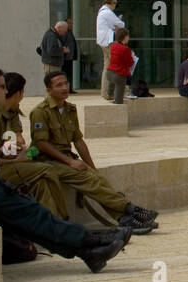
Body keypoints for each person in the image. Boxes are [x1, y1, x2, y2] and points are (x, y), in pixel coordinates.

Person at [0, 67, 131, 273]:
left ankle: (90, 253)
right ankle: (91, 238)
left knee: (32, 220)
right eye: (3, 87)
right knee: (34, 210)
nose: (7, 91)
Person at [30, 71, 159, 232]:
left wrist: (91, 166)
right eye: (59, 85)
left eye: (66, 83)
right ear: (49, 90)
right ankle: (131, 209)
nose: (65, 88)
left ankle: (124, 219)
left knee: (97, 178)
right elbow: (41, 144)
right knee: (88, 179)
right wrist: (70, 161)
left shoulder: (70, 109)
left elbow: (78, 140)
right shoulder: (40, 112)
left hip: (65, 158)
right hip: (47, 160)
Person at [0, 71, 69, 220]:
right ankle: (63, 221)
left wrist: (19, 150)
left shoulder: (11, 110)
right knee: (47, 170)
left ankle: (51, 223)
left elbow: (19, 139)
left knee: (42, 182)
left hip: (10, 156)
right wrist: (16, 160)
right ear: (17, 94)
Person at [95, 0, 125, 100]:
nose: (115, 7)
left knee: (107, 66)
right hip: (109, 42)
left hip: (103, 42)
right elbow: (121, 25)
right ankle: (113, 91)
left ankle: (105, 92)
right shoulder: (107, 12)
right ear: (112, 3)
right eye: (115, 5)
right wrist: (118, 23)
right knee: (115, 66)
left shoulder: (101, 12)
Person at [104, 27, 135, 105]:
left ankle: (109, 93)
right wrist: (132, 56)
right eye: (128, 36)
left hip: (109, 73)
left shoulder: (113, 46)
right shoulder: (126, 49)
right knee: (118, 101)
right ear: (124, 37)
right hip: (119, 76)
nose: (129, 38)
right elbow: (130, 63)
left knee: (111, 96)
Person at [62, 18, 79, 93]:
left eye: (71, 23)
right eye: (69, 23)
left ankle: (70, 88)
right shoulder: (64, 33)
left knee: (70, 73)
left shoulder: (70, 32)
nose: (71, 25)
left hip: (70, 57)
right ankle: (67, 89)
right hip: (66, 57)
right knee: (66, 74)